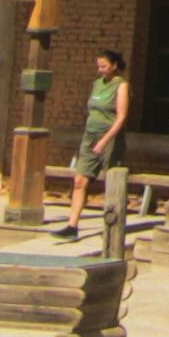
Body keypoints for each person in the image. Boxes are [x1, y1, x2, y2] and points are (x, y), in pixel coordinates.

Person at [64, 47, 132, 237]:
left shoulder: (121, 85)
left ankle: (112, 225)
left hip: (109, 136)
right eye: (98, 66)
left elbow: (121, 117)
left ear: (114, 66)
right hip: (90, 135)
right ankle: (72, 226)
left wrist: (104, 141)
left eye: (103, 66)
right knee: (80, 180)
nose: (100, 69)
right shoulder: (96, 84)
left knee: (111, 181)